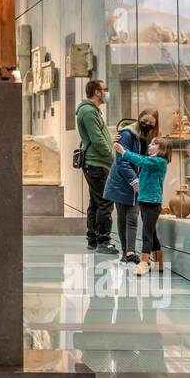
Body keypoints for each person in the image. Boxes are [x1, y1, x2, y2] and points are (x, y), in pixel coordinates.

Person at [104, 108, 160, 264]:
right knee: (123, 218)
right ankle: (126, 253)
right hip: (122, 182)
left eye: (151, 123)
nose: (147, 124)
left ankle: (130, 252)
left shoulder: (149, 137)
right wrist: (134, 181)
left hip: (138, 182)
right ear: (139, 118)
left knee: (132, 217)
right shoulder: (127, 134)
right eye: (145, 121)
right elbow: (122, 161)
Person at [115, 138, 168, 276]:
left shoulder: (160, 162)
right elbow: (141, 159)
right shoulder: (150, 160)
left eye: (154, 143)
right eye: (151, 143)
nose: (150, 145)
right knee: (152, 233)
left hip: (152, 203)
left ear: (163, 149)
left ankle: (144, 263)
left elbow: (141, 161)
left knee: (147, 234)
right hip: (144, 201)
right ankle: (159, 263)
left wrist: (124, 152)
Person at [76, 79, 116, 254]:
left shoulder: (92, 111)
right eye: (105, 90)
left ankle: (92, 236)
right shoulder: (88, 111)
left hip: (97, 163)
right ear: (97, 92)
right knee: (105, 201)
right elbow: (97, 139)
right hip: (96, 163)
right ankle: (103, 240)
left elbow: (100, 136)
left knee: (96, 200)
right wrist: (112, 157)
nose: (107, 93)